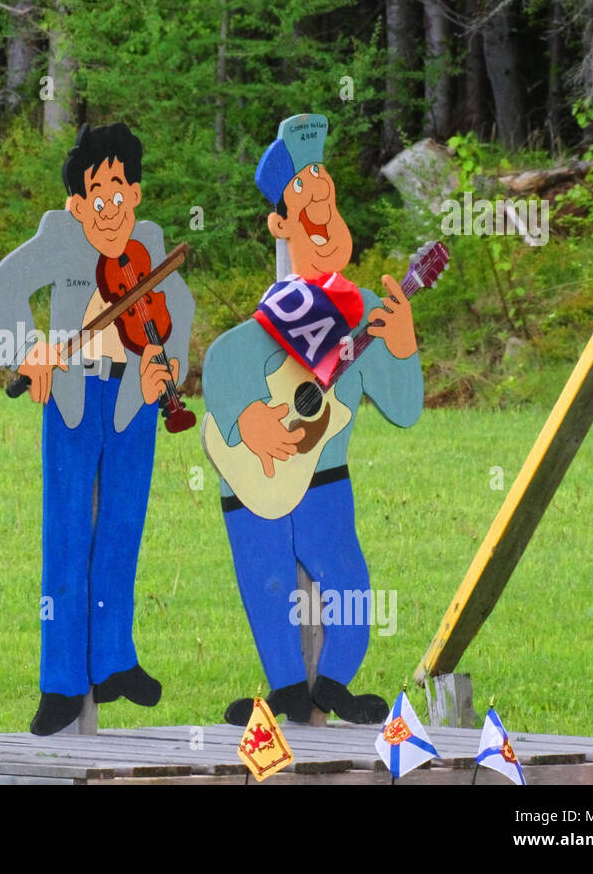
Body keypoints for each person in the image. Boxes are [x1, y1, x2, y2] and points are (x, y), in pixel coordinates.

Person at [201, 114, 422, 727]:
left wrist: (401, 347)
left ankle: (334, 685)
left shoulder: (367, 313)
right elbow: (225, 360)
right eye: (304, 196)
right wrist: (249, 417)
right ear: (279, 224)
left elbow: (405, 408)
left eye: (326, 190)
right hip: (256, 483)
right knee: (269, 583)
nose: (321, 204)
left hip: (326, 480)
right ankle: (286, 689)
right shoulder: (268, 322)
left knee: (349, 578)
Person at [0, 123, 194, 736]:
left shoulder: (150, 245)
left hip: (132, 395)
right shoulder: (58, 239)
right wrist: (27, 351)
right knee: (69, 531)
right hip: (73, 392)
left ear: (136, 192)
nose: (110, 209)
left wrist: (169, 364)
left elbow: (175, 307)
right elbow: (5, 289)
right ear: (77, 203)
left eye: (121, 192)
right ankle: (61, 683)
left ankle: (114, 662)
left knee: (123, 528)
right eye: (96, 198)